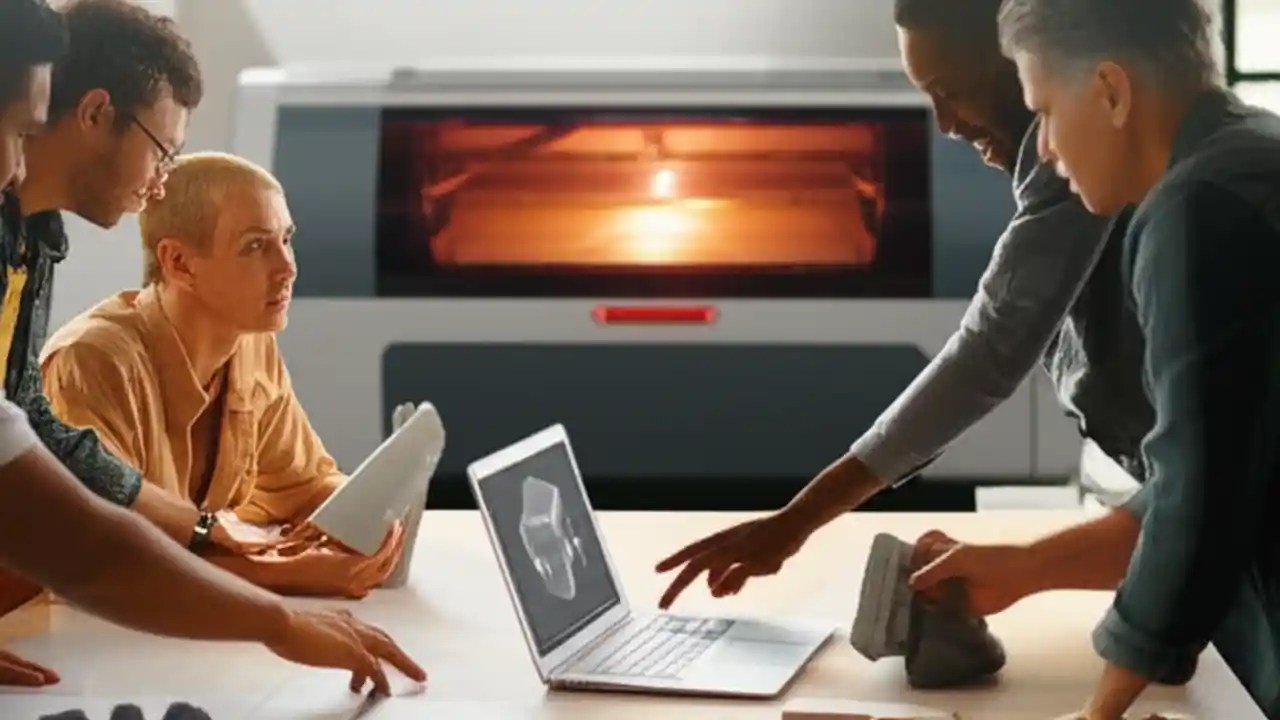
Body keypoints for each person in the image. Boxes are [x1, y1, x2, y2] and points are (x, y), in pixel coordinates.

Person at [654, 0, 1151, 611]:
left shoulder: (1093, 169)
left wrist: (796, 521)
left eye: (950, 91)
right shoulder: (1067, 167)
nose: (945, 124)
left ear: (1024, 66)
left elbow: (988, 353)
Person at [0, 0, 425, 693]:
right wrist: (276, 615)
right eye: (20, 129)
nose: (161, 180)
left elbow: (31, 428)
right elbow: (80, 541)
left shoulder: (31, 240)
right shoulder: (94, 355)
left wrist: (209, 533)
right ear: (96, 114)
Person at [914, 0, 1280, 717]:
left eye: (1045, 111)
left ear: (1111, 91)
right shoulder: (1250, 151)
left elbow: (1198, 502)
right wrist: (1025, 568)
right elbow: (1220, 468)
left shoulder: (1194, 211)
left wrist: (1100, 711)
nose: (1046, 150)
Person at [41, 151, 403, 598]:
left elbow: (304, 484)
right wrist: (287, 574)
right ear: (179, 263)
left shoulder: (249, 342)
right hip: (73, 627)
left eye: (286, 239)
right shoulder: (91, 362)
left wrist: (375, 518)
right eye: (255, 246)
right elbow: (107, 556)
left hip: (179, 626)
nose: (288, 267)